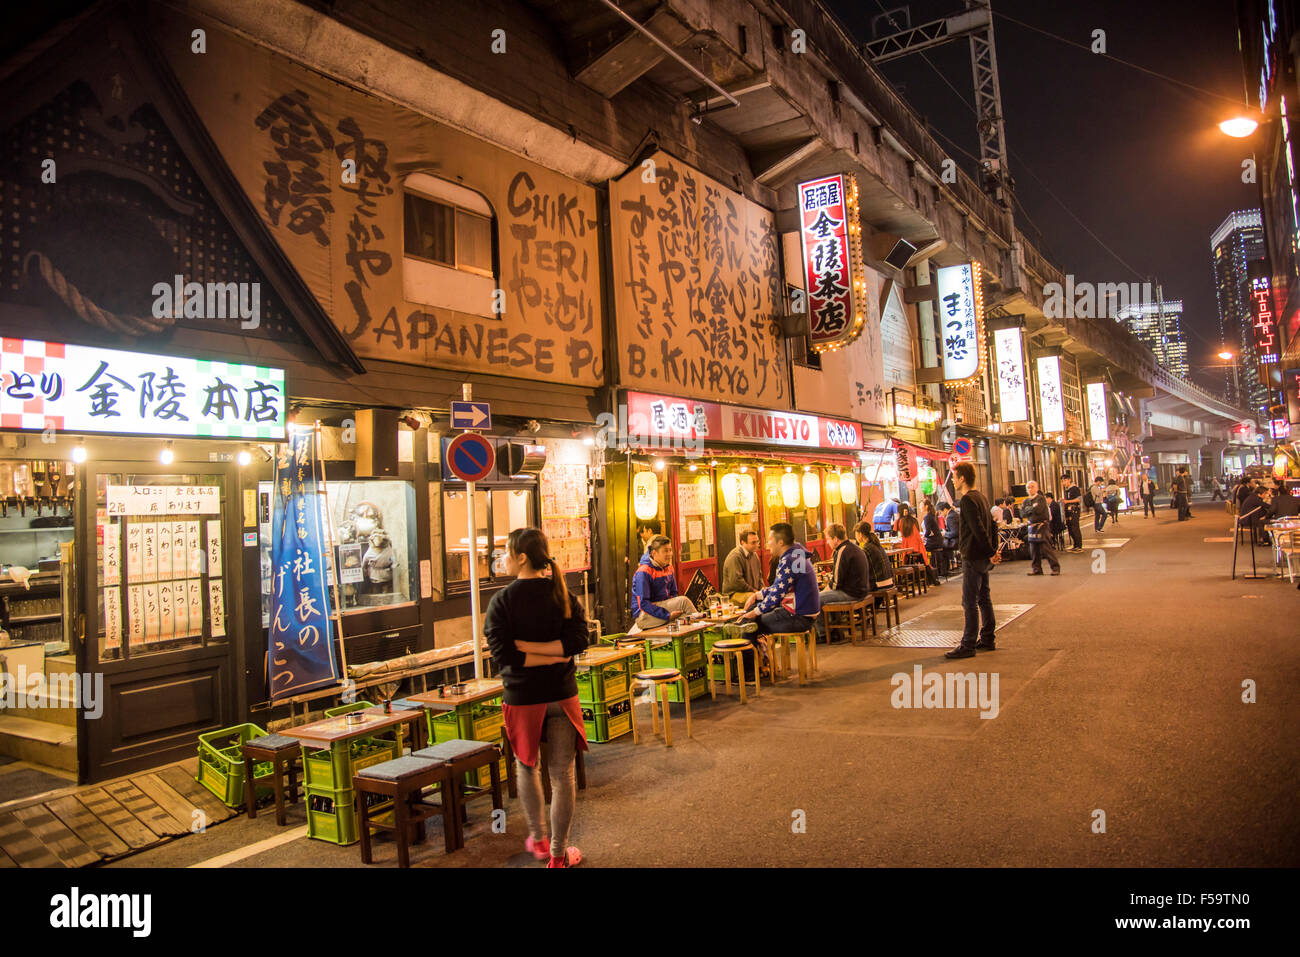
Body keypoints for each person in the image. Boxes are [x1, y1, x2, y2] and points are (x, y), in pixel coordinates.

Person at [483, 527, 589, 868]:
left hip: (522, 697)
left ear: (522, 557)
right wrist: (555, 656)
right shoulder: (563, 595)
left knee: (527, 768)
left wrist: (527, 648)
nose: (504, 558)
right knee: (563, 776)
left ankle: (539, 840)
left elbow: (504, 656)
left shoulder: (502, 601)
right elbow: (577, 642)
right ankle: (558, 856)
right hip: (561, 694)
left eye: (507, 552)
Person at [946, 462, 998, 659]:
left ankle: (968, 644)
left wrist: (991, 551)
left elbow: (978, 529)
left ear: (962, 478)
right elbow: (992, 526)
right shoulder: (982, 497)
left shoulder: (967, 500)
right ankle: (987, 637)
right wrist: (993, 550)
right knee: (984, 597)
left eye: (954, 477)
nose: (952, 480)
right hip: (982, 556)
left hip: (973, 556)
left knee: (969, 601)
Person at [741, 523, 821, 637]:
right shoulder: (796, 554)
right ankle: (758, 652)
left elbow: (777, 594)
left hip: (799, 617)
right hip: (805, 614)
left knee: (750, 625)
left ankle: (749, 654)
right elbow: (778, 587)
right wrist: (757, 596)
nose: (767, 544)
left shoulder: (790, 560)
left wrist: (754, 613)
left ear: (780, 542)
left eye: (769, 540)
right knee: (754, 610)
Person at [629, 535, 696, 633]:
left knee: (685, 618)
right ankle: (704, 626)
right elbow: (643, 603)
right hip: (644, 616)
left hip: (661, 610)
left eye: (670, 550)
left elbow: (674, 594)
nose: (669, 554)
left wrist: (674, 612)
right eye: (665, 551)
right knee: (684, 601)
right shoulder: (643, 572)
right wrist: (667, 615)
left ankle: (691, 645)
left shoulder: (669, 568)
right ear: (654, 553)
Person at [814, 523, 871, 639]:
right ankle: (834, 630)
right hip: (862, 590)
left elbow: (836, 583)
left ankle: (824, 634)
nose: (827, 542)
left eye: (828, 539)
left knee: (814, 600)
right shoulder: (854, 547)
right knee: (824, 596)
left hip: (852, 593)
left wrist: (822, 592)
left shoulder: (842, 551)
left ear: (835, 539)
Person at [1020, 480, 1061, 576]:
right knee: (1033, 550)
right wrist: (1031, 509)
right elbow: (1022, 513)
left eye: (1032, 486)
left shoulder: (1041, 499)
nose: (1030, 489)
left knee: (1046, 548)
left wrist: (1028, 510)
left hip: (1042, 526)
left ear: (1037, 488)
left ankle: (1055, 568)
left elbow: (1038, 510)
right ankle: (1036, 569)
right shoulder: (1026, 501)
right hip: (1031, 527)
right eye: (1028, 487)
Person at [898, 508, 939, 585]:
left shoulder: (901, 521)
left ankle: (904, 581)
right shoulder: (914, 521)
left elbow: (902, 534)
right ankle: (933, 580)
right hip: (918, 546)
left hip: (907, 547)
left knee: (906, 561)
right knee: (924, 561)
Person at [720, 529, 764, 603]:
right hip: (734, 594)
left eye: (757, 542)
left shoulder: (754, 554)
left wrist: (762, 589)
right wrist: (754, 591)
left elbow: (759, 576)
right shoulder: (735, 556)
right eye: (753, 543)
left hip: (751, 592)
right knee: (755, 599)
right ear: (742, 542)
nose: (757, 545)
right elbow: (736, 582)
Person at [855, 521, 895, 590]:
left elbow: (861, 569)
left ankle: (870, 600)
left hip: (879, 584)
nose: (855, 536)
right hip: (889, 581)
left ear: (860, 534)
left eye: (855, 534)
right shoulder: (876, 544)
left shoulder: (867, 548)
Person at [922, 501, 949, 578]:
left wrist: (923, 538)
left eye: (921, 505)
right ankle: (935, 571)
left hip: (934, 542)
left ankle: (929, 573)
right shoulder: (932, 515)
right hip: (938, 540)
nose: (920, 507)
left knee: (921, 551)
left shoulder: (927, 517)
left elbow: (928, 531)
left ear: (926, 506)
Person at [1060, 474, 1084, 551]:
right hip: (1068, 510)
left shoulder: (1074, 488)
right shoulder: (1067, 490)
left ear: (1069, 479)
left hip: (1074, 510)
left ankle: (1079, 546)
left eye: (1065, 480)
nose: (1064, 482)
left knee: (1075, 527)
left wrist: (1067, 501)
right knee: (1070, 527)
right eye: (1062, 481)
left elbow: (1079, 499)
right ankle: (1075, 544)